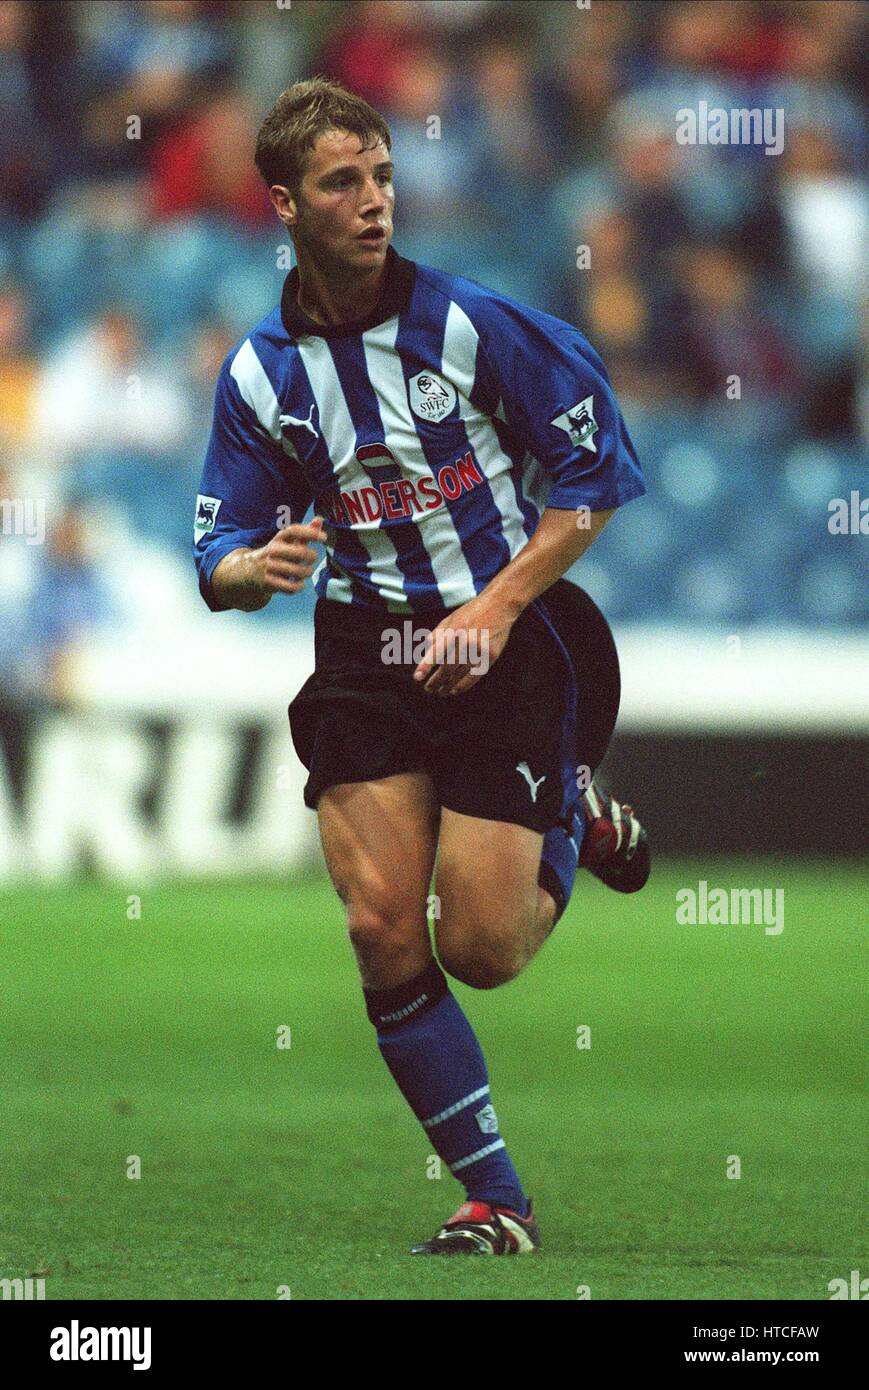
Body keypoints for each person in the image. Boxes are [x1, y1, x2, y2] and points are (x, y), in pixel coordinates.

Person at [194, 77, 650, 1257]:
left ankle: (570, 817)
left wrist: (496, 607)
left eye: (384, 177)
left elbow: (592, 477)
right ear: (284, 204)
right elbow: (217, 555)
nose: (373, 202)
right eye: (344, 183)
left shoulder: (471, 327)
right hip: (360, 651)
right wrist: (258, 567)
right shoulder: (258, 376)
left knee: (482, 949)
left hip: (493, 640)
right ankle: (495, 1199)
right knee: (381, 927)